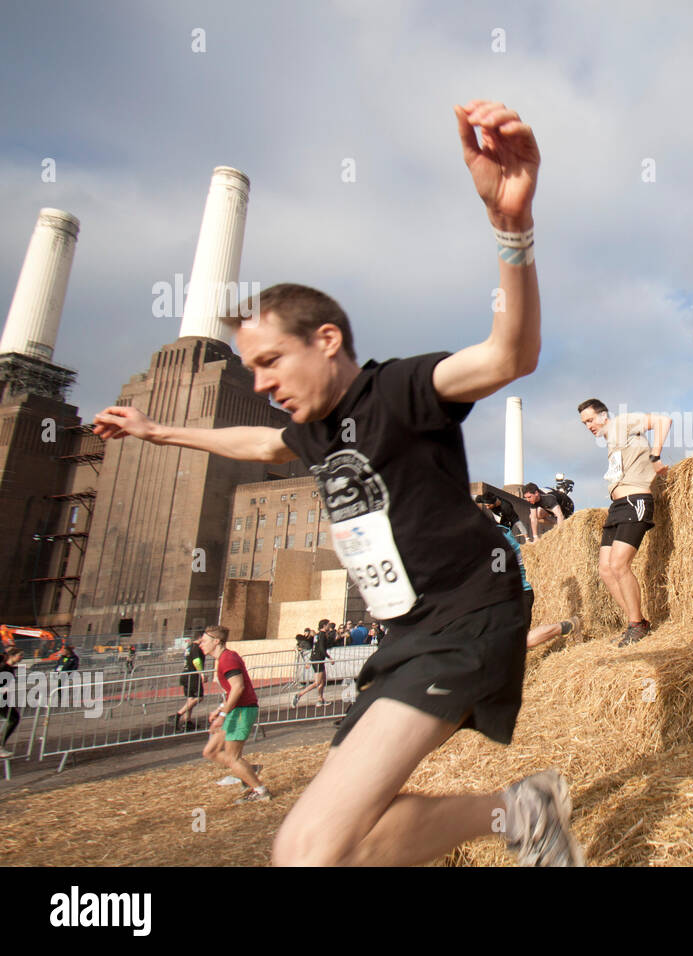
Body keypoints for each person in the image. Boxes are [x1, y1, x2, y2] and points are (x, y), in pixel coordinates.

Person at [92, 100, 581, 867]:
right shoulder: (313, 432)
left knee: (310, 849)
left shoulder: (400, 390)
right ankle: (521, 810)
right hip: (404, 636)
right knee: (327, 848)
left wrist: (511, 229)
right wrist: (158, 431)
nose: (259, 383)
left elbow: (509, 354)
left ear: (327, 341)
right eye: (249, 368)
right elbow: (256, 441)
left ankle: (523, 811)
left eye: (269, 362)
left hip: (466, 615)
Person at [577, 398, 670, 647]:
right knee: (605, 570)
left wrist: (655, 455)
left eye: (590, 420)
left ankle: (637, 624)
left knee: (619, 565)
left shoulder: (623, 422)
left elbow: (663, 420)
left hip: (636, 500)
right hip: (617, 506)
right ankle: (635, 621)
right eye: (584, 423)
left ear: (603, 415)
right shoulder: (611, 440)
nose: (588, 426)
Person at [197, 625, 270, 803]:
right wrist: (221, 708)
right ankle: (248, 770)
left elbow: (238, 688)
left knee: (232, 757)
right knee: (210, 751)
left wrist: (223, 716)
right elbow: (233, 690)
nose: (200, 645)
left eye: (204, 641)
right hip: (235, 710)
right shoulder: (224, 658)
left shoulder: (227, 659)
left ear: (216, 642)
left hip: (242, 711)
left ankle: (261, 791)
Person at [498, 524, 579, 648]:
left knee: (519, 642)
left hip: (516, 595)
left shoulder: (499, 537)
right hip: (507, 595)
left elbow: (498, 575)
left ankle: (566, 626)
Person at [171, 635, 206, 732]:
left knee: (190, 699)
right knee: (199, 697)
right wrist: (202, 673)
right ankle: (178, 715)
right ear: (200, 637)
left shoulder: (189, 647)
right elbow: (197, 661)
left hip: (185, 674)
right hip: (192, 675)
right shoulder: (196, 648)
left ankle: (187, 721)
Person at [293, 621, 332, 707]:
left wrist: (310, 661)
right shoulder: (322, 635)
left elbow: (315, 648)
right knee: (317, 682)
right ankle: (299, 695)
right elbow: (321, 649)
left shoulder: (317, 635)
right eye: (328, 625)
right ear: (324, 626)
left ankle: (320, 699)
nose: (329, 626)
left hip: (317, 659)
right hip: (318, 660)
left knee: (323, 681)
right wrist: (330, 658)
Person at [0, 646, 24, 758]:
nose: (21, 658)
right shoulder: (4, 668)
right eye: (20, 655)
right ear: (12, 656)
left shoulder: (9, 667)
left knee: (13, 719)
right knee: (13, 719)